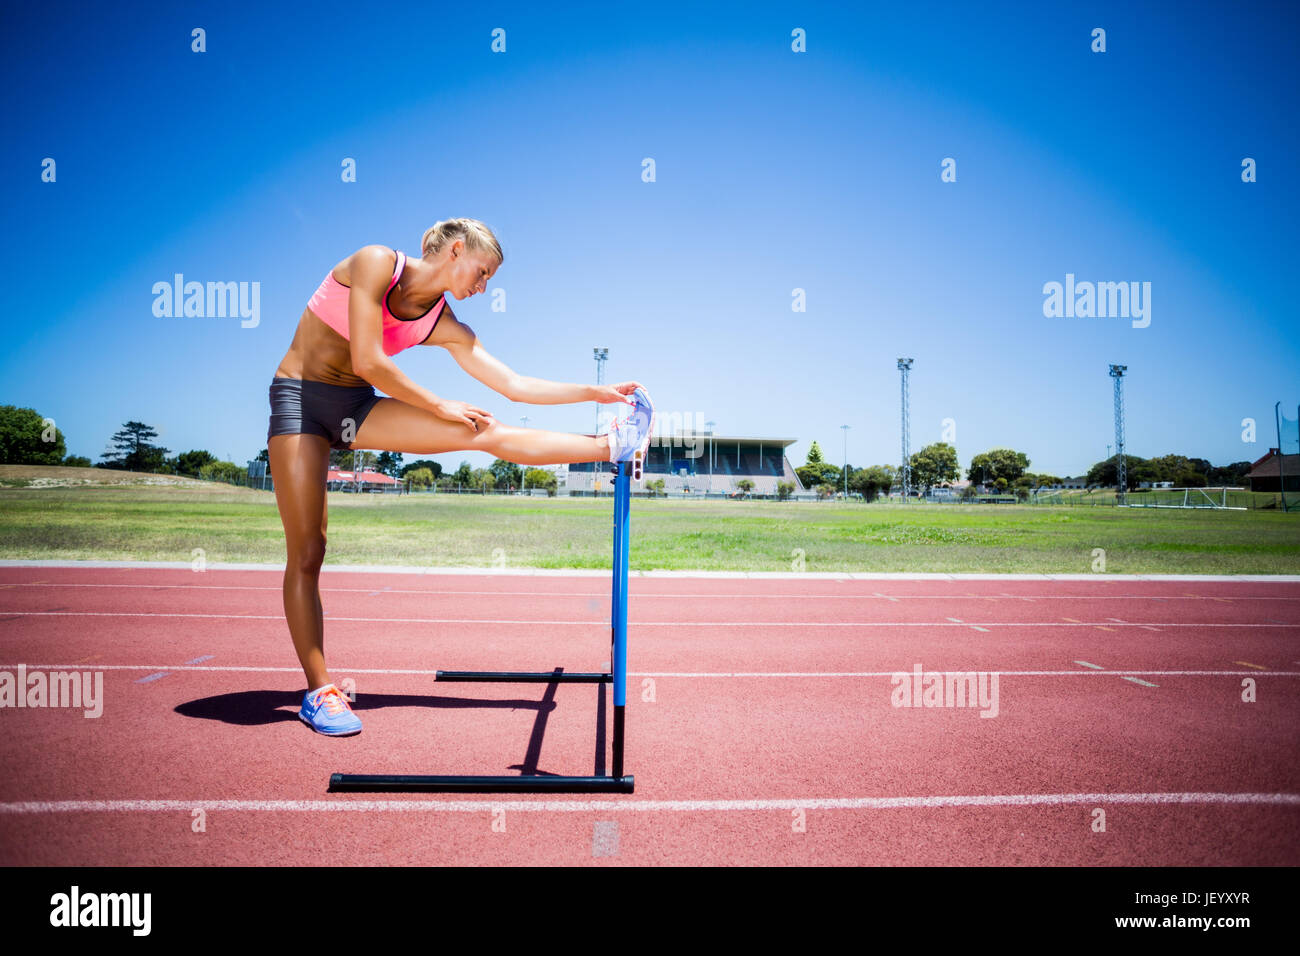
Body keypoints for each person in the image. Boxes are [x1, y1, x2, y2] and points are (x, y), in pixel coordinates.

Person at [266, 217, 654, 735]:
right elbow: (369, 358)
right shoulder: (376, 262)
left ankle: (611, 446)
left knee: (484, 429)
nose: (484, 286)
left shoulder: (445, 324)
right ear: (454, 250)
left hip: (355, 407)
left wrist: (594, 392)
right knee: (309, 549)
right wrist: (439, 404)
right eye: (482, 271)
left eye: (490, 279)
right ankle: (319, 692)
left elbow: (513, 385)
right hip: (299, 400)